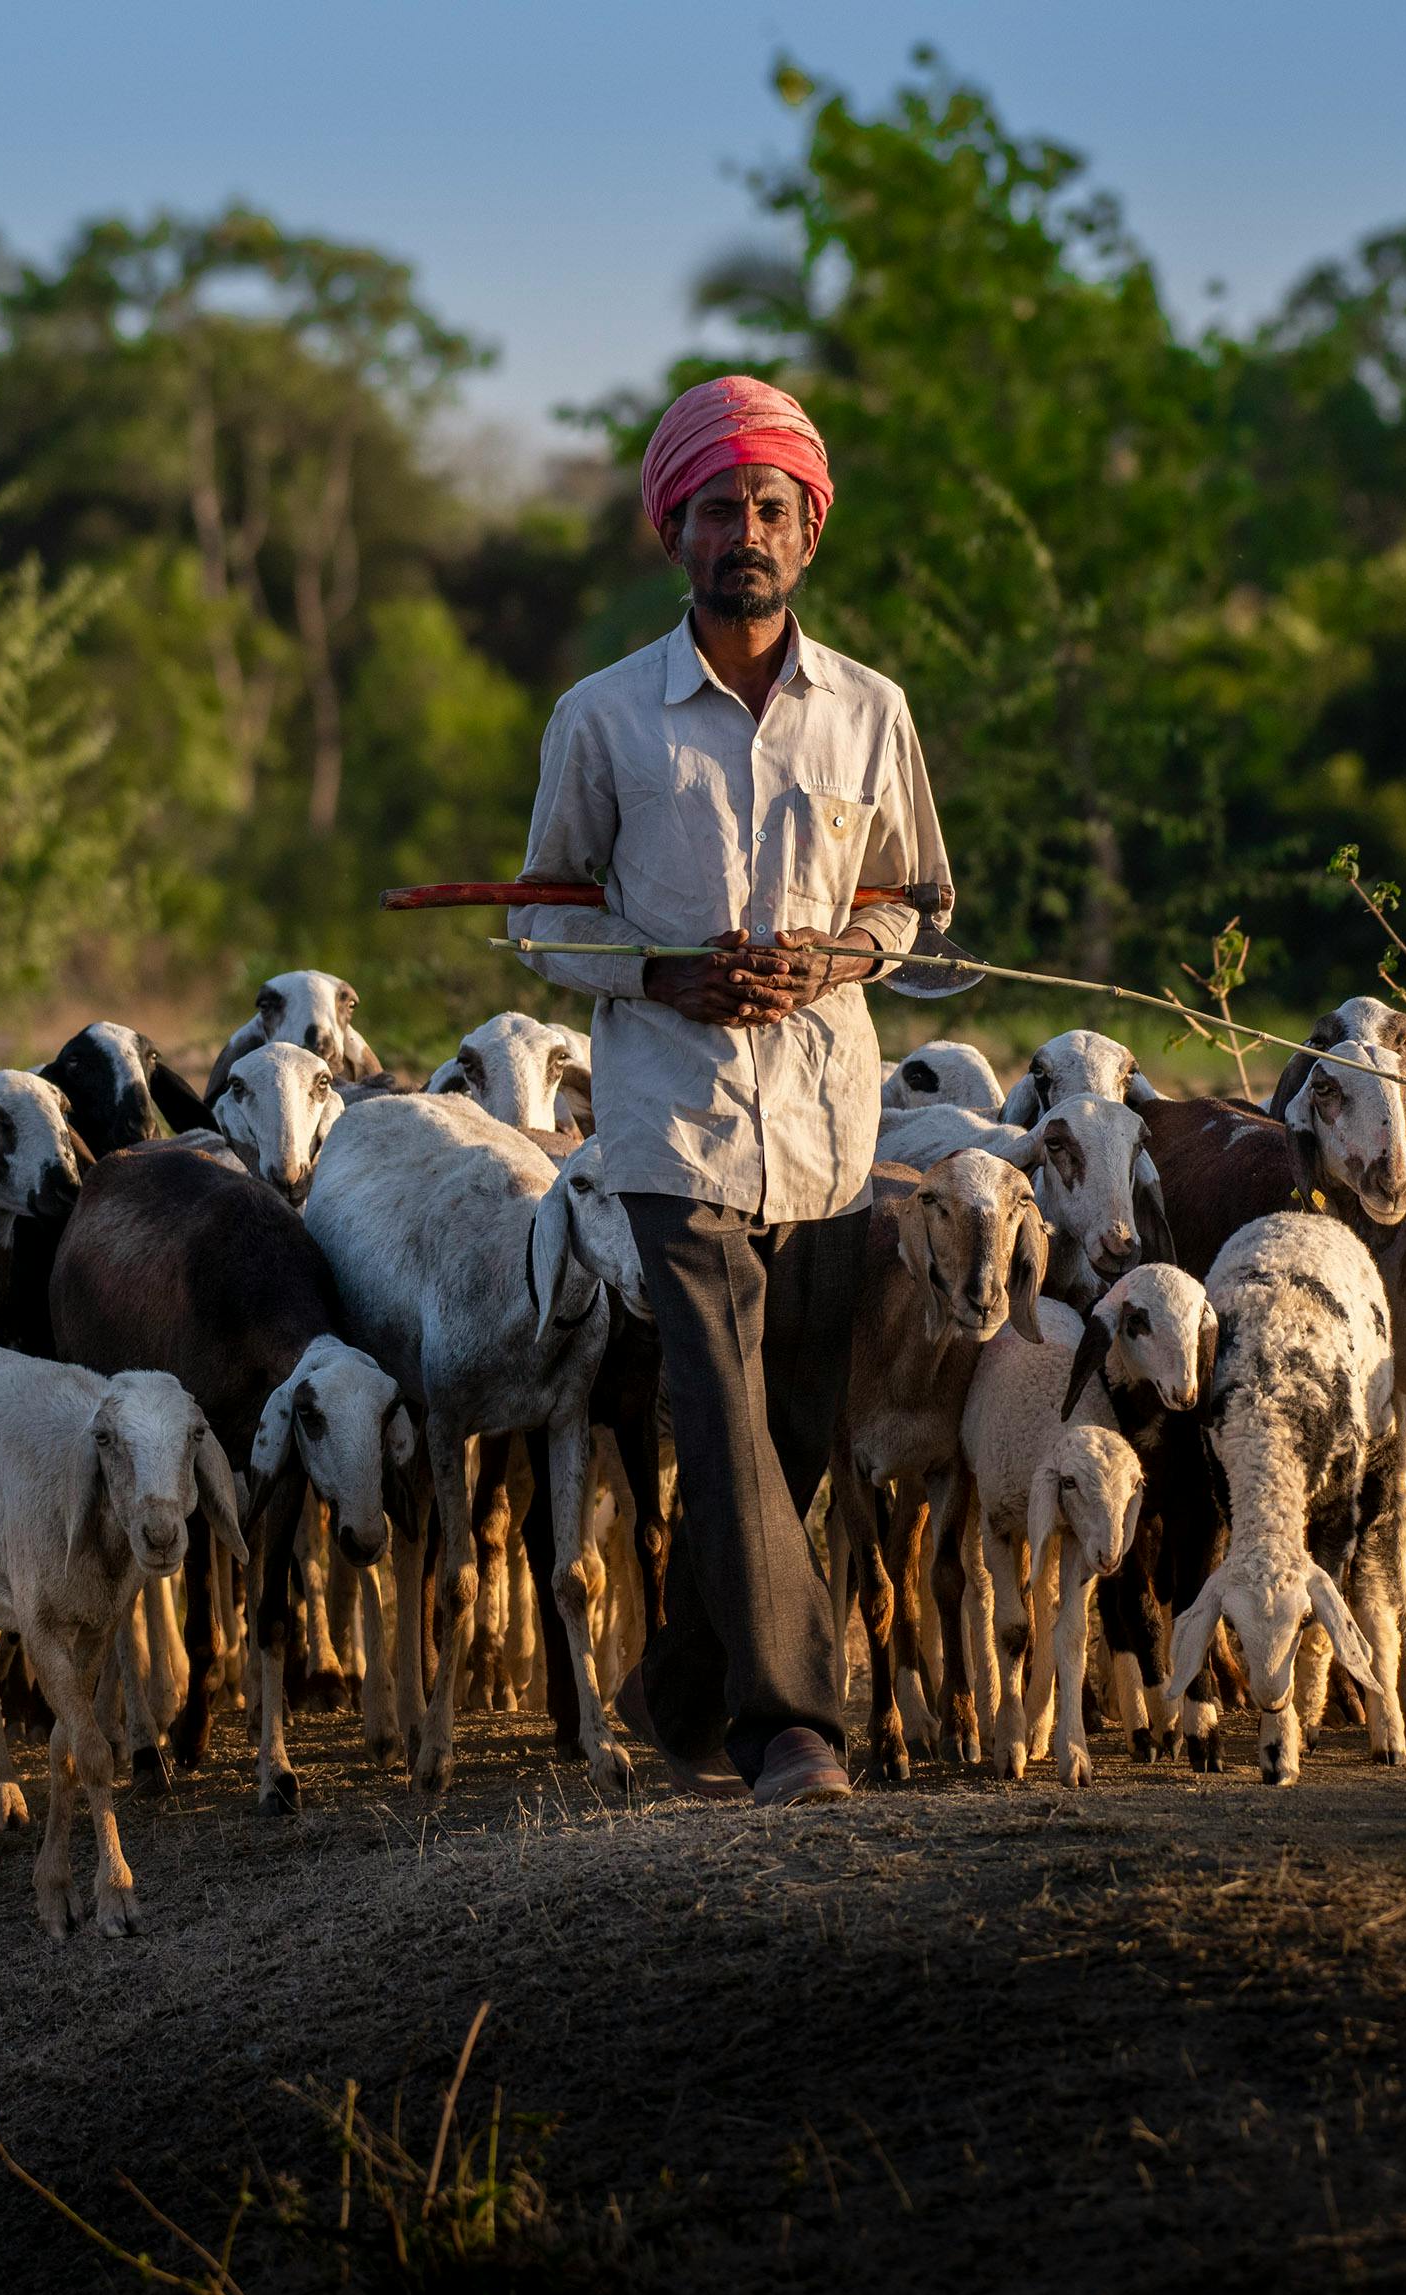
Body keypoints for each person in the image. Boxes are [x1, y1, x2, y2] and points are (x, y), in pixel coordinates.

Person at [508, 375, 950, 1807]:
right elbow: (543, 913)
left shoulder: (871, 714)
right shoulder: (602, 718)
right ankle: (788, 1730)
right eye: (714, 510)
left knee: (796, 1433)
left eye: (769, 508)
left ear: (808, 534)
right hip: (672, 1122)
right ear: (673, 534)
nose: (741, 532)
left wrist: (840, 953)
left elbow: (910, 902)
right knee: (715, 1410)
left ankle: (677, 1692)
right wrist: (659, 973)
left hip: (827, 1125)